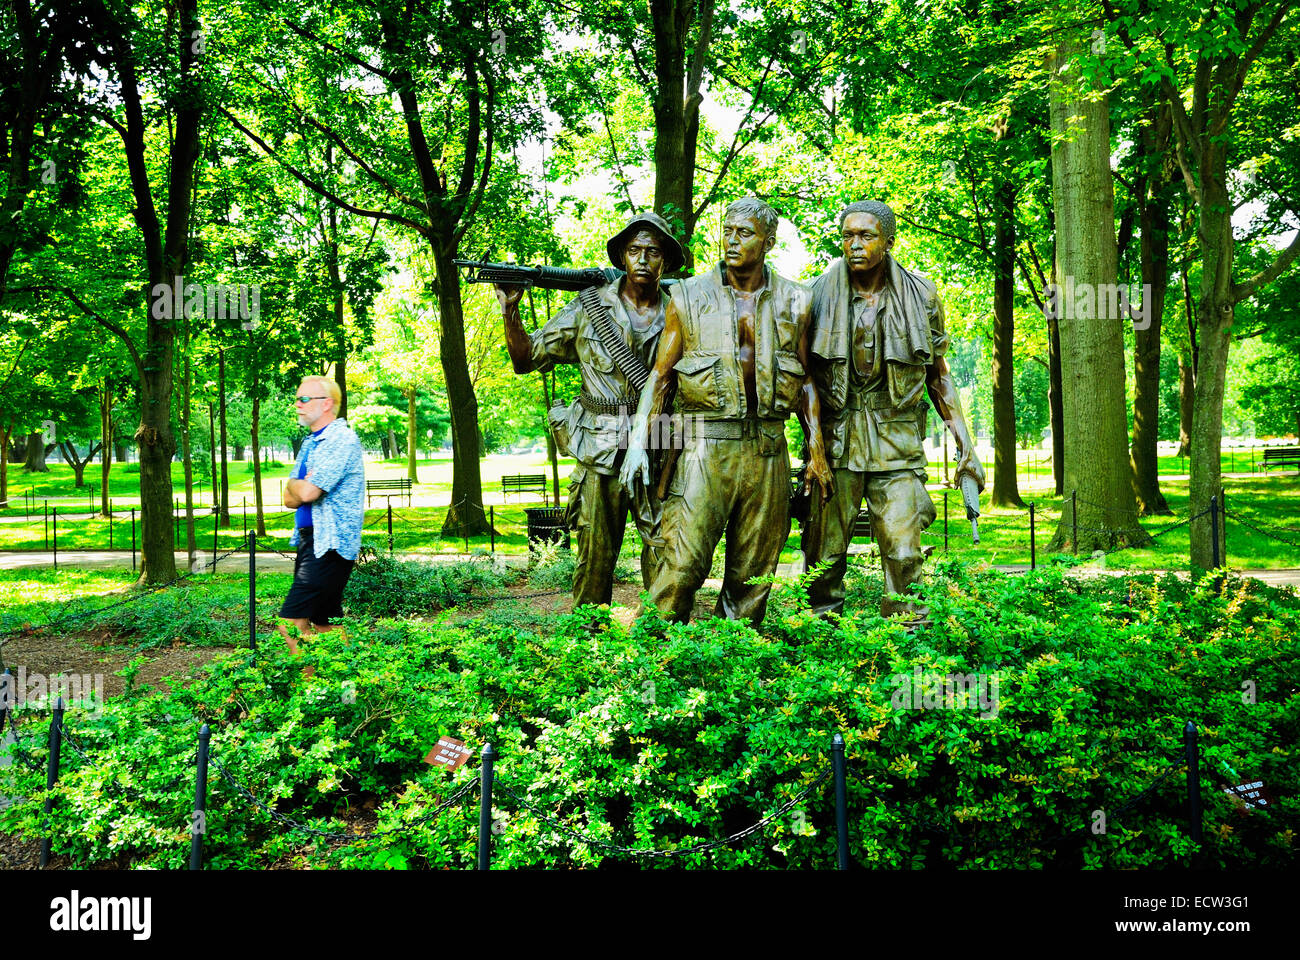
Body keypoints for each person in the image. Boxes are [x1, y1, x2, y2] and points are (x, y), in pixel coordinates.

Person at [621, 197, 833, 626]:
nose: (731, 241)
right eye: (727, 230)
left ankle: (736, 665)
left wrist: (817, 452)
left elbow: (808, 379)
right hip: (703, 448)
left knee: (753, 576)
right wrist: (639, 443)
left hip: (768, 448)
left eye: (745, 233)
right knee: (681, 566)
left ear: (769, 241)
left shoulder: (798, 299)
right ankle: (654, 664)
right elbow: (661, 377)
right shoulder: (686, 296)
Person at [802, 200, 985, 622]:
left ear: (888, 242)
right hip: (836, 441)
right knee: (823, 556)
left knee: (904, 552)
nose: (854, 245)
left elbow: (938, 375)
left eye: (866, 236)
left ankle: (906, 639)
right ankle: (820, 638)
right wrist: (813, 449)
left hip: (897, 438)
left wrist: (965, 445)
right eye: (847, 235)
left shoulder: (921, 294)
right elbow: (802, 375)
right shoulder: (814, 295)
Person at [494, 211, 685, 607]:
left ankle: (664, 645)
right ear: (622, 257)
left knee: (665, 551)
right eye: (634, 250)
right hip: (599, 446)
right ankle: (588, 646)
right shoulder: (589, 308)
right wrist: (511, 310)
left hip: (658, 442)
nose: (643, 259)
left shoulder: (681, 312)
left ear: (665, 260)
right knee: (594, 558)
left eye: (653, 251)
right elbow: (526, 357)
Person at [278, 376, 366, 664]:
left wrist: (298, 484)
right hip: (310, 542)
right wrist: (298, 484)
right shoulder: (311, 443)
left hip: (329, 544)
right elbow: (290, 497)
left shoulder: (341, 439)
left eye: (304, 399)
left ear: (327, 404)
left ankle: (310, 695)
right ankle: (343, 688)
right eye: (297, 398)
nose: (297, 405)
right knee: (325, 623)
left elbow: (307, 491)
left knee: (290, 623)